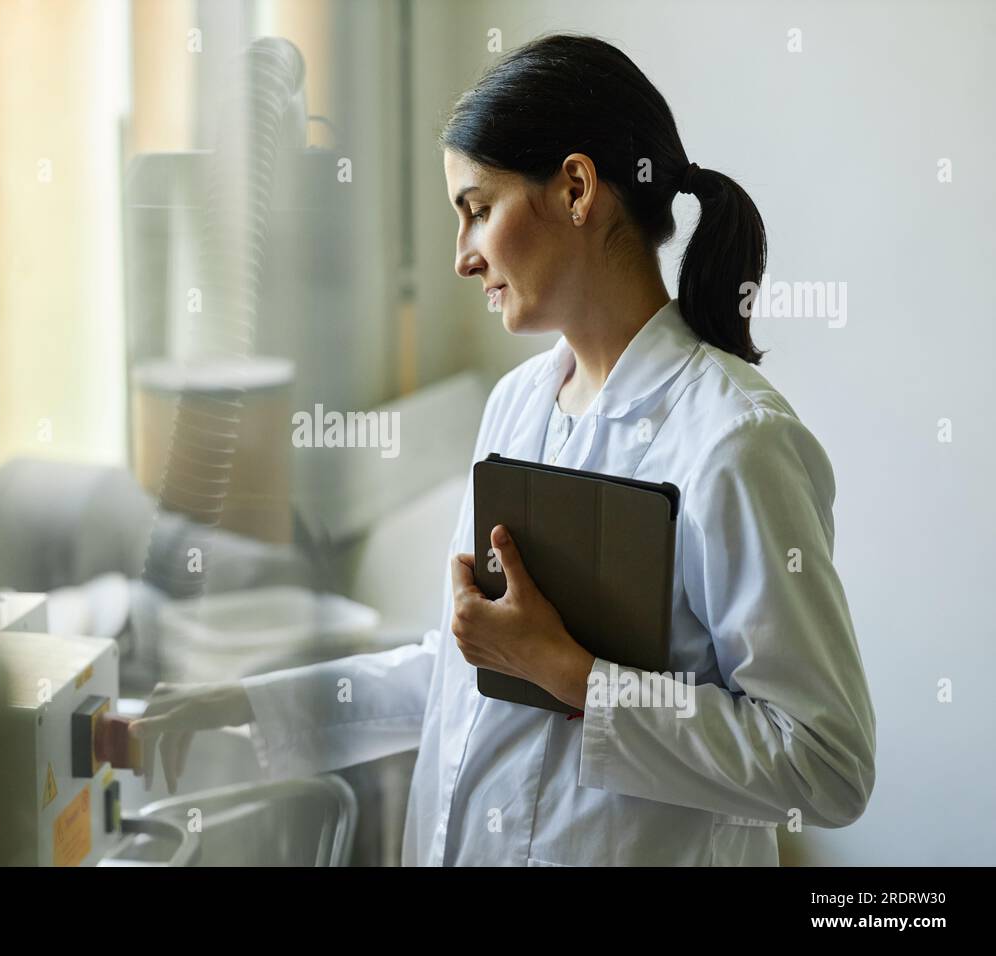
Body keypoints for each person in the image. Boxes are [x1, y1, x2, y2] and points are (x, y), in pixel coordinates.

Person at [128, 33, 875, 866]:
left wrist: (572, 676)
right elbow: (458, 673)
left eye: (478, 208)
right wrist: (239, 705)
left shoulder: (737, 442)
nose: (461, 256)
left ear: (577, 189)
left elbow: (827, 763)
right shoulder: (517, 407)